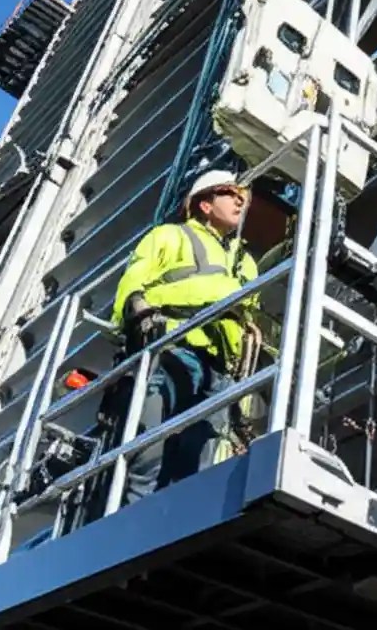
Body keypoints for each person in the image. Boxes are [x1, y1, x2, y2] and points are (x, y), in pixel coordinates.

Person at [109, 169, 260, 504]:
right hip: (172, 350)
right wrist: (139, 309)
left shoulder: (246, 263)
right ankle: (132, 529)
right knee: (149, 455)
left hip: (220, 372)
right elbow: (133, 280)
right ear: (204, 204)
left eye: (243, 196)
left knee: (201, 465)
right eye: (230, 193)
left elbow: (249, 319)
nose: (240, 200)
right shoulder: (170, 236)